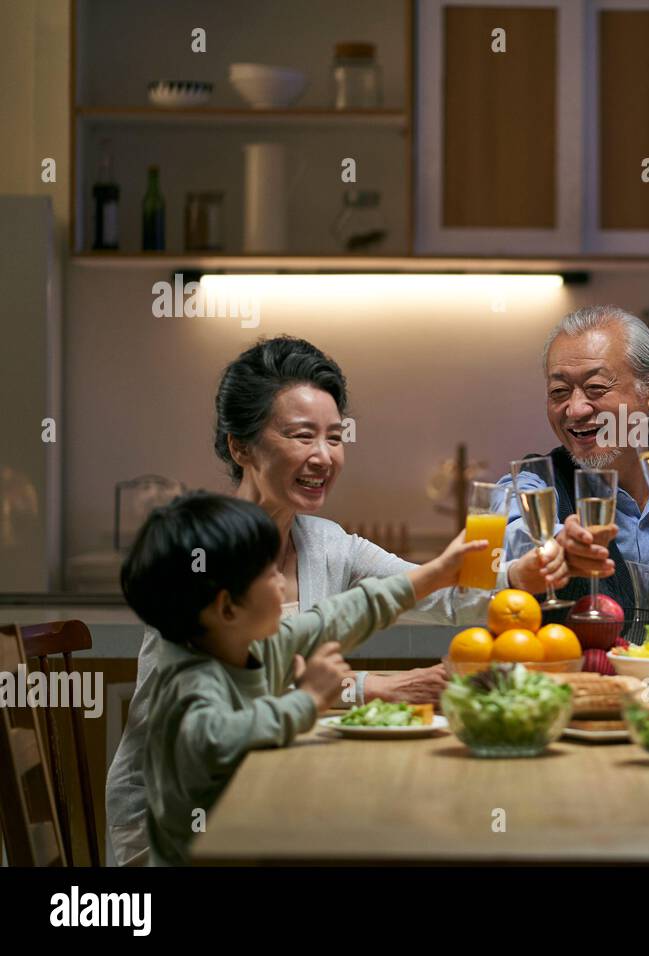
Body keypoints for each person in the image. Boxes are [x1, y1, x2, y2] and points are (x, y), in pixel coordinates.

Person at [106, 336, 565, 865]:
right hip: (175, 831)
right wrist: (363, 688)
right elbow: (223, 707)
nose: (323, 457)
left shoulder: (327, 543)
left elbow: (412, 601)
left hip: (268, 802)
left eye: (335, 437)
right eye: (303, 436)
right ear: (241, 447)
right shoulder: (198, 558)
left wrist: (512, 574)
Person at [120, 492, 485, 864]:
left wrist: (435, 574)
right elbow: (219, 739)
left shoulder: (245, 646)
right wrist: (307, 700)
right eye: (267, 574)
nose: (281, 580)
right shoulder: (191, 684)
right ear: (228, 607)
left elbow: (338, 615)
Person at [501, 306, 649, 632]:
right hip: (577, 683)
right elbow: (508, 545)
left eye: (596, 388)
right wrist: (557, 545)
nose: (576, 408)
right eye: (559, 392)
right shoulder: (533, 482)